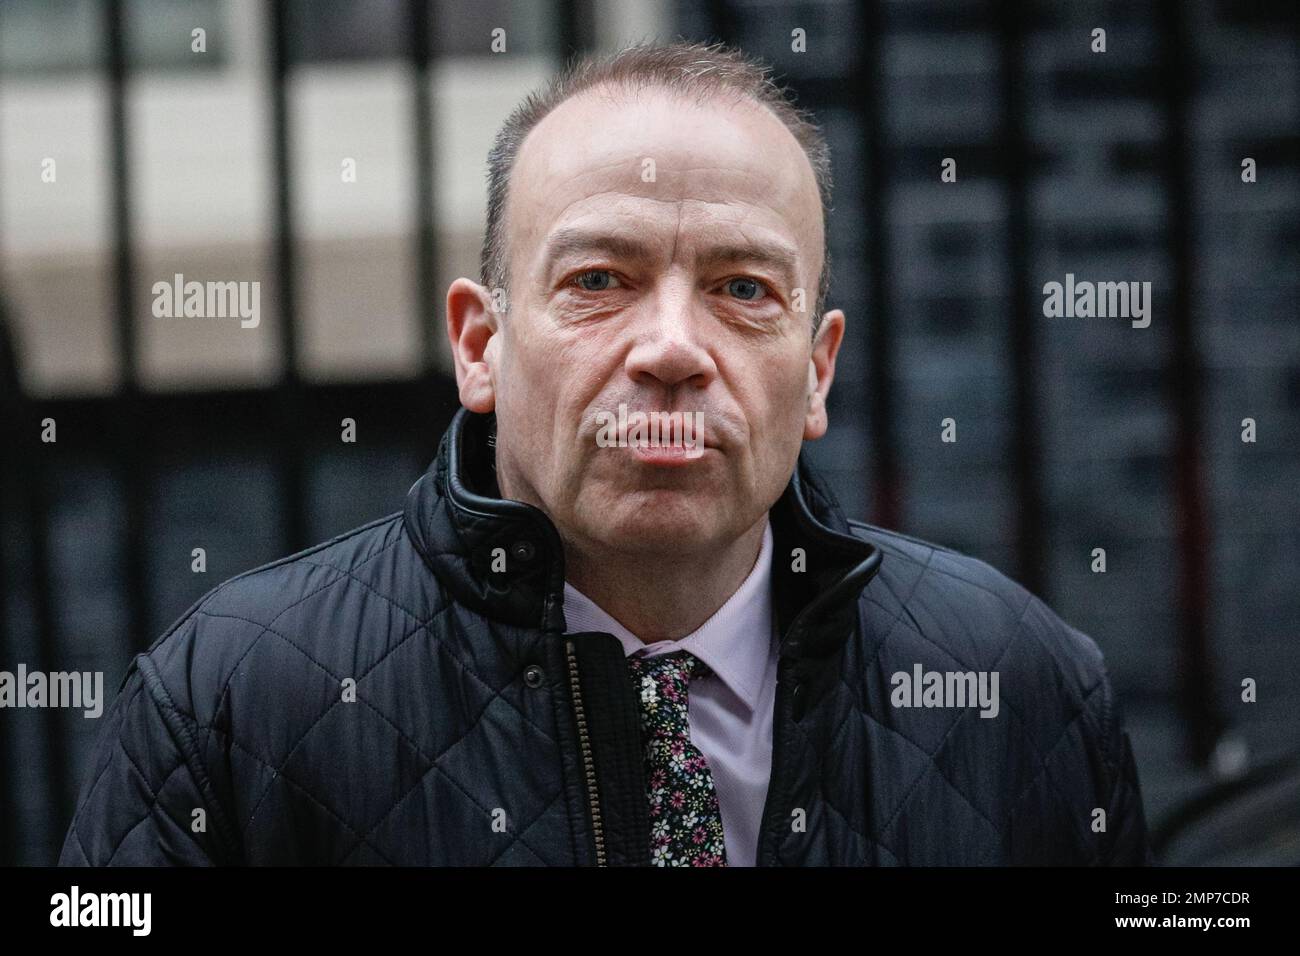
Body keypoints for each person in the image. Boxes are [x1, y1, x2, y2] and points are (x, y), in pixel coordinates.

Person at [59, 39, 1149, 866]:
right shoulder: (229, 708)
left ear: (816, 370)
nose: (672, 347)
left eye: (740, 289)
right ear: (480, 346)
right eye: (597, 280)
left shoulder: (1025, 691)